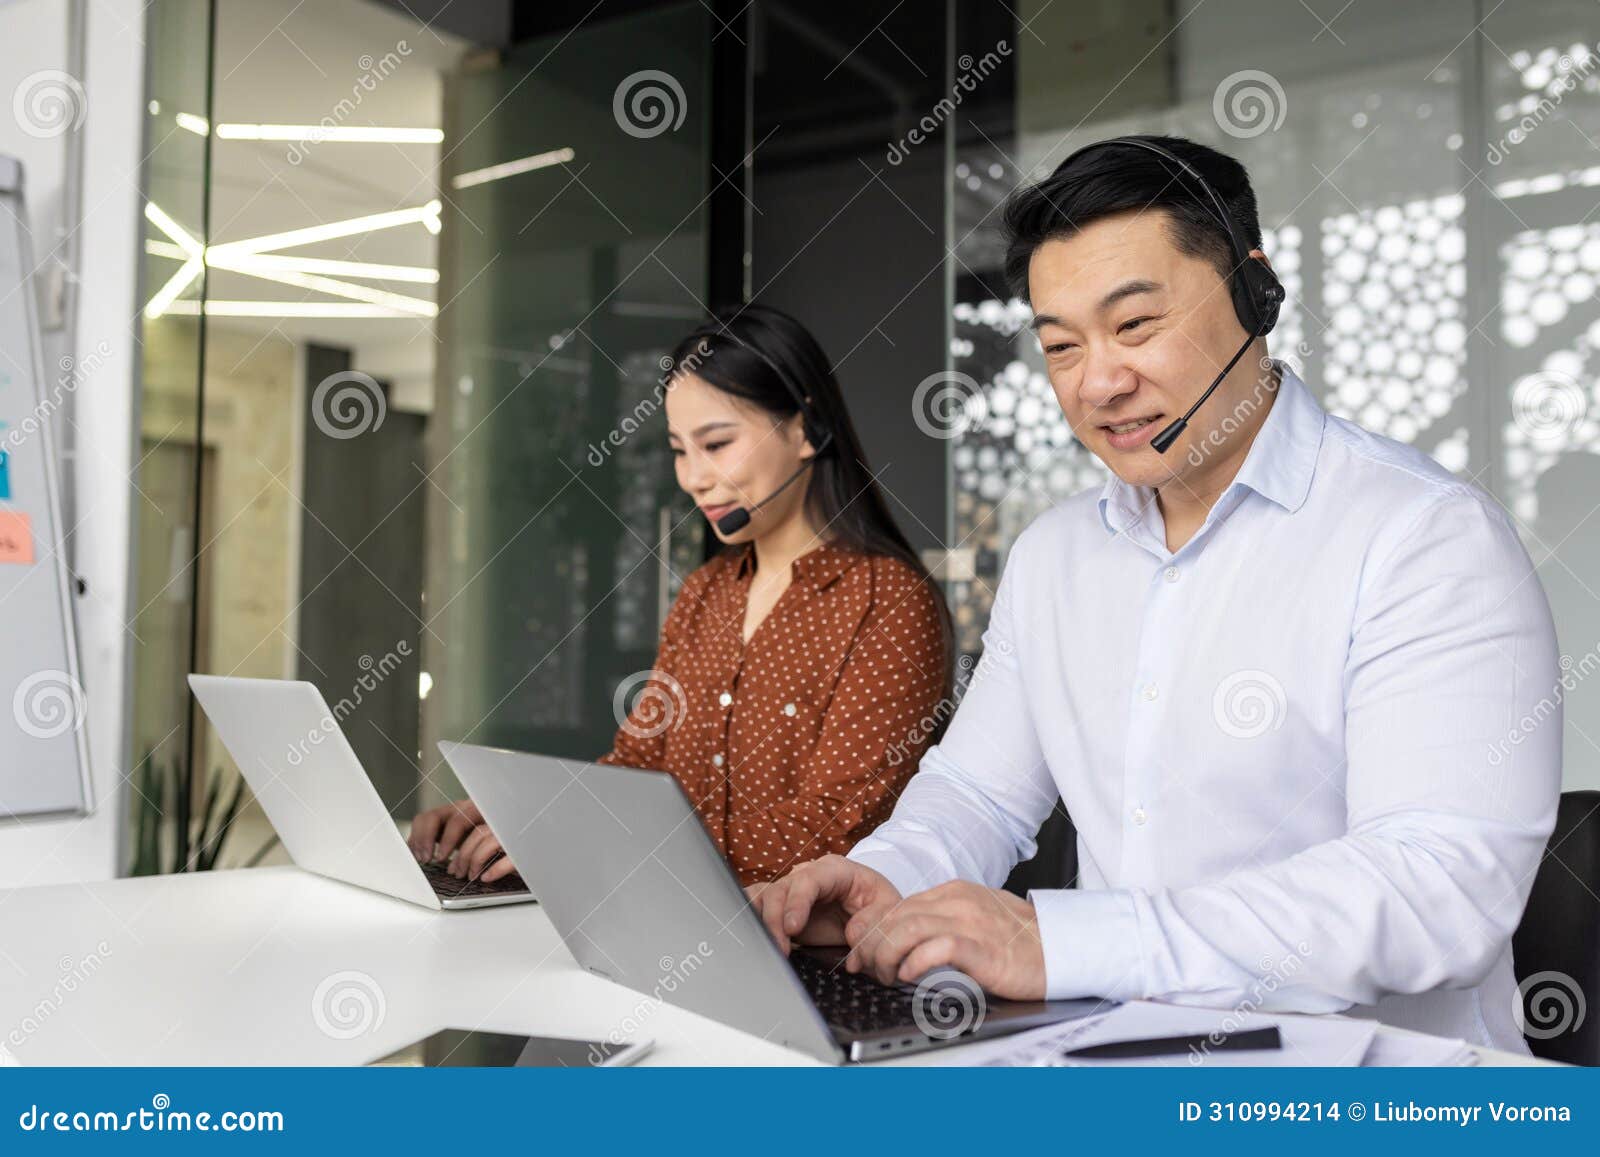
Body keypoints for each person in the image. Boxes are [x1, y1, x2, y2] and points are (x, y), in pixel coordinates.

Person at [752, 135, 1562, 1053]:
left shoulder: (1425, 537)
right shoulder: (1055, 556)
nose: (1098, 382)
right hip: (1110, 1062)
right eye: (1060, 346)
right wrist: (882, 882)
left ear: (1256, 294)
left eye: (1135, 326)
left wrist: (1061, 941)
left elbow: (1437, 889)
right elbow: (977, 794)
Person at [410, 304, 954, 888]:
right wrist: (529, 816)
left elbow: (836, 829)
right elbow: (638, 767)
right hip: (656, 918)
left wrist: (590, 839)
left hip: (803, 956)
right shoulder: (705, 593)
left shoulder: (890, 603)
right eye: (678, 449)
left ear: (804, 428)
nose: (692, 477)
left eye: (716, 444)